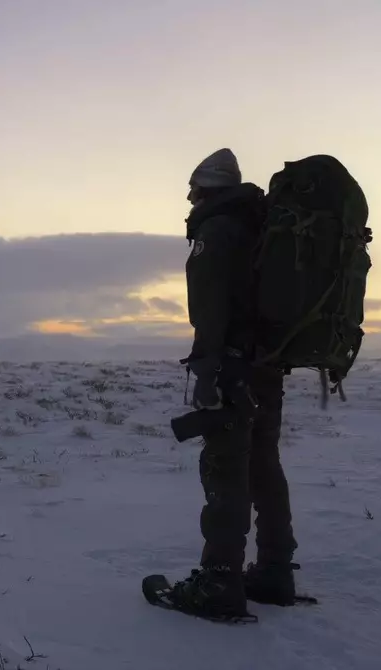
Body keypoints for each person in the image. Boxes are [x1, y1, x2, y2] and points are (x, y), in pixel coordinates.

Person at [165, 148, 299, 621]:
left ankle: (220, 581)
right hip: (266, 366)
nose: (189, 196)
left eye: (193, 188)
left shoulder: (216, 229)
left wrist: (207, 371)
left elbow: (210, 307)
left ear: (206, 188)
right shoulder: (258, 226)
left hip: (232, 367)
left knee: (225, 469)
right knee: (263, 463)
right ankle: (275, 572)